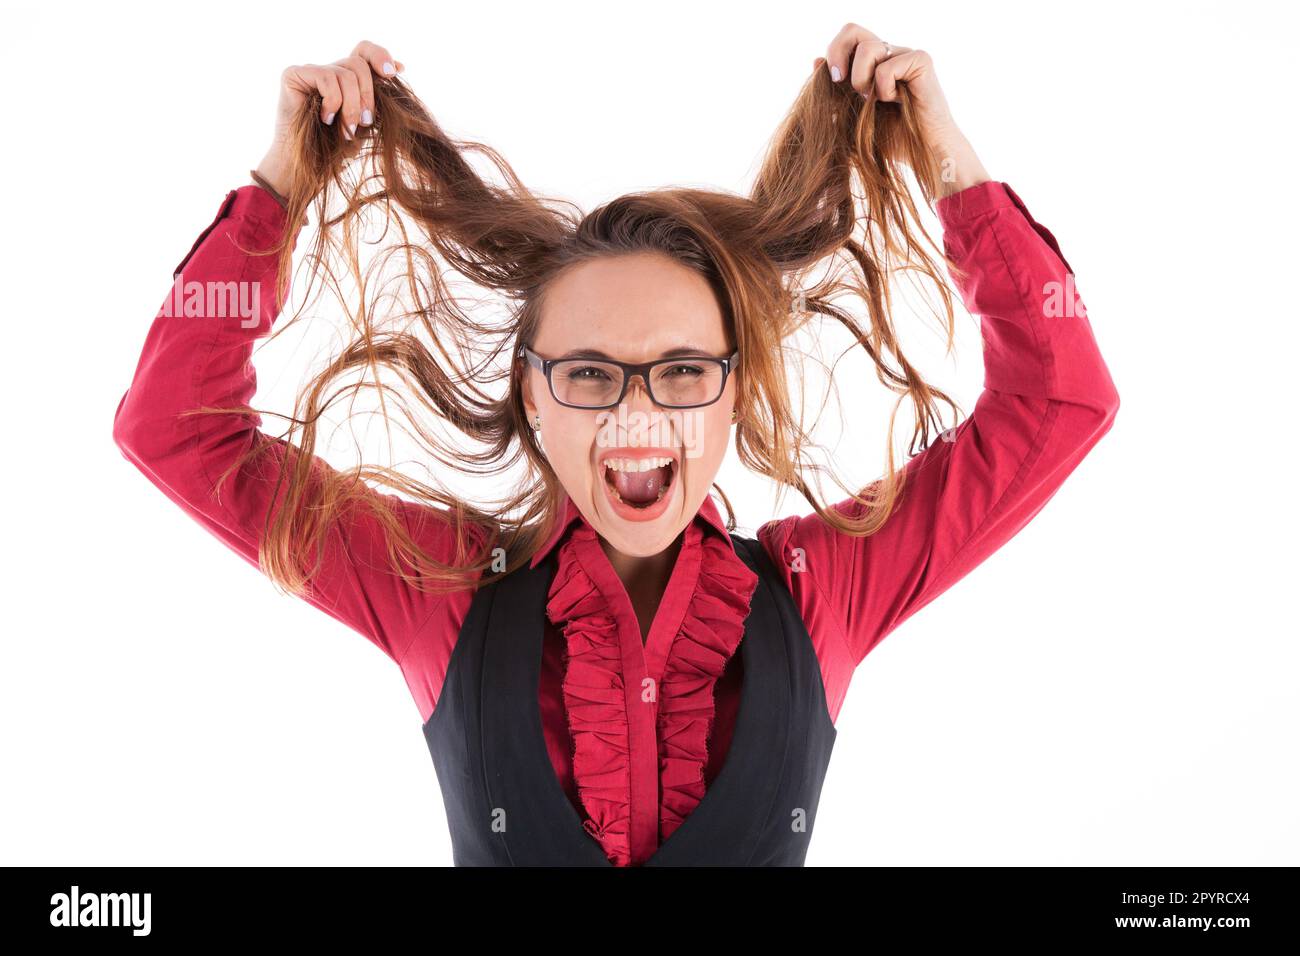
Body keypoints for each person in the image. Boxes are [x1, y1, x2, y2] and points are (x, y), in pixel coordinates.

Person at [112, 27, 1119, 866]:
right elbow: (174, 427)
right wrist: (279, 189)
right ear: (532, 398)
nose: (637, 418)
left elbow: (1062, 399)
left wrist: (951, 166)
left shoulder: (823, 590)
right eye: (589, 374)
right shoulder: (441, 590)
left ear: (734, 389)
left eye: (683, 371)